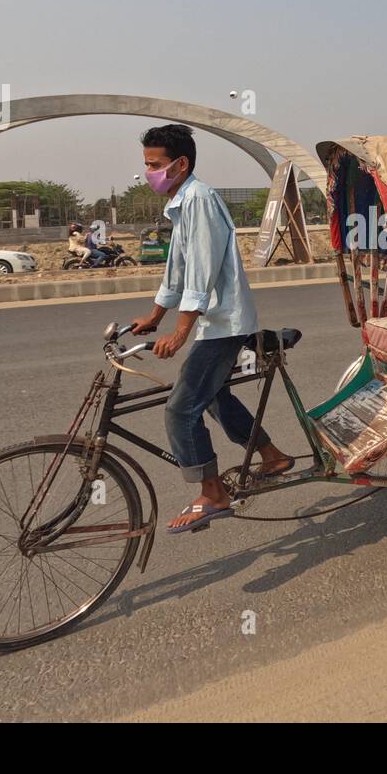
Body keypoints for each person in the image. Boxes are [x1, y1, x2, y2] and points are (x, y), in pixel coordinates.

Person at [130, 124, 294, 532]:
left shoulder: (199, 200)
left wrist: (179, 331)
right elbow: (177, 271)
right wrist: (155, 317)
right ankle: (272, 456)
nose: (149, 173)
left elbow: (201, 272)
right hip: (215, 321)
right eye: (147, 164)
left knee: (180, 409)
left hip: (224, 322)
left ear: (181, 164)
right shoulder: (182, 203)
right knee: (214, 397)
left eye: (155, 165)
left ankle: (213, 493)